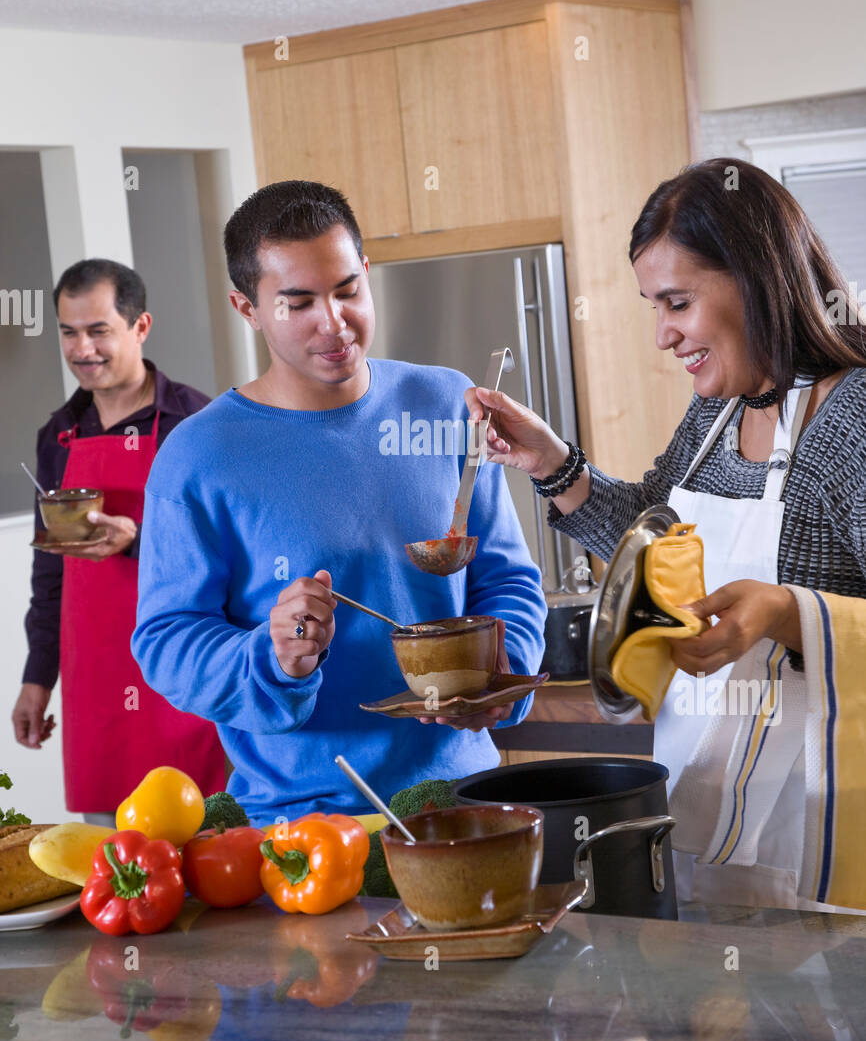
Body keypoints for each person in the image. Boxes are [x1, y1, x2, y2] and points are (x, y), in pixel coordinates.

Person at [465, 158, 866, 912]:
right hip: (700, 800)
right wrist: (553, 462)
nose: (662, 335)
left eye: (676, 302)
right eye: (653, 306)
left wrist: (787, 613)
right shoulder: (717, 414)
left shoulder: (853, 421)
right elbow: (651, 541)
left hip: (824, 826)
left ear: (755, 277)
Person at [131, 181, 546, 827]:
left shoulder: (446, 405)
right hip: (301, 820)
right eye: (298, 303)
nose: (334, 322)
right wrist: (270, 657)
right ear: (248, 307)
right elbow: (166, 639)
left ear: (367, 274)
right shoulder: (198, 457)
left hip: (465, 798)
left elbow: (506, 578)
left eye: (348, 289)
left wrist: (503, 672)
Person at [12, 260, 225, 824]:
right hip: (97, 681)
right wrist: (37, 679)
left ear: (141, 326)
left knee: (210, 845)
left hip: (184, 668)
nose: (82, 349)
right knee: (117, 863)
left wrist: (138, 540)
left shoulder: (195, 422)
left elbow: (234, 548)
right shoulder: (58, 435)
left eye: (98, 330)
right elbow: (50, 578)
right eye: (68, 331)